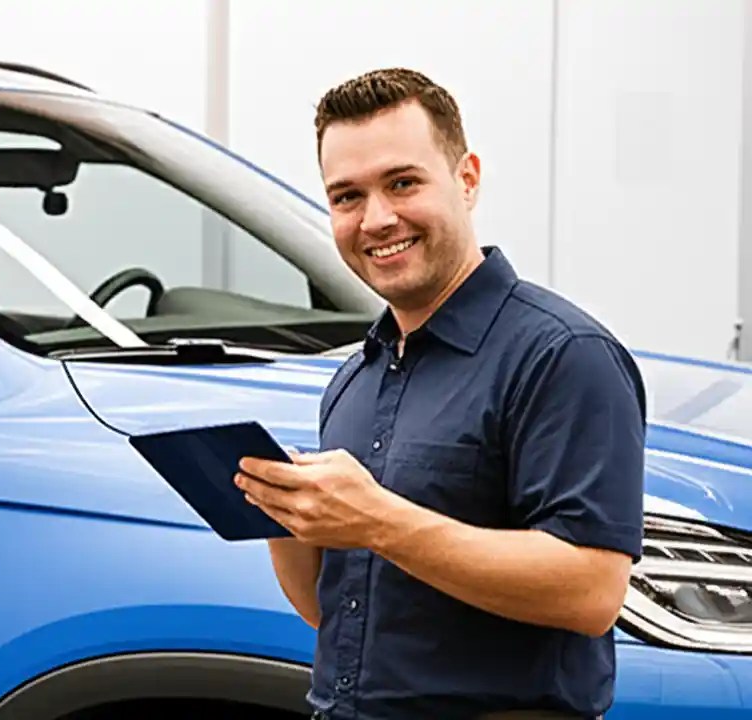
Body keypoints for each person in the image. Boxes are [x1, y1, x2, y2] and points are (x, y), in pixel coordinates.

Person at [235, 68, 646, 720]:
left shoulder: (563, 356)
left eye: (402, 183)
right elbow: (334, 609)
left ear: (468, 178)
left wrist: (375, 520)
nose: (376, 218)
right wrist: (285, 519)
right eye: (346, 196)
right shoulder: (355, 378)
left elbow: (592, 591)